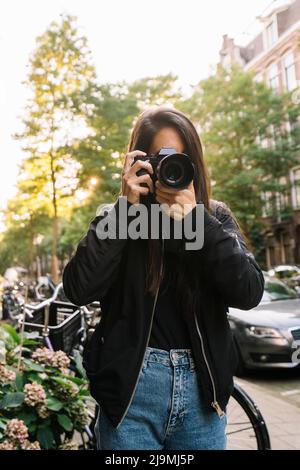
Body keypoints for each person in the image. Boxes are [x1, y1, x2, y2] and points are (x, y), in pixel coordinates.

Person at [62, 106, 264, 450]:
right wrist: (125, 211)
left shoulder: (213, 217)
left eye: (181, 159)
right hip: (132, 396)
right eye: (161, 159)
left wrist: (198, 223)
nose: (171, 168)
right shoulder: (119, 218)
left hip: (203, 397)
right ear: (137, 162)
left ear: (194, 165)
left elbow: (248, 291)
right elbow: (78, 288)